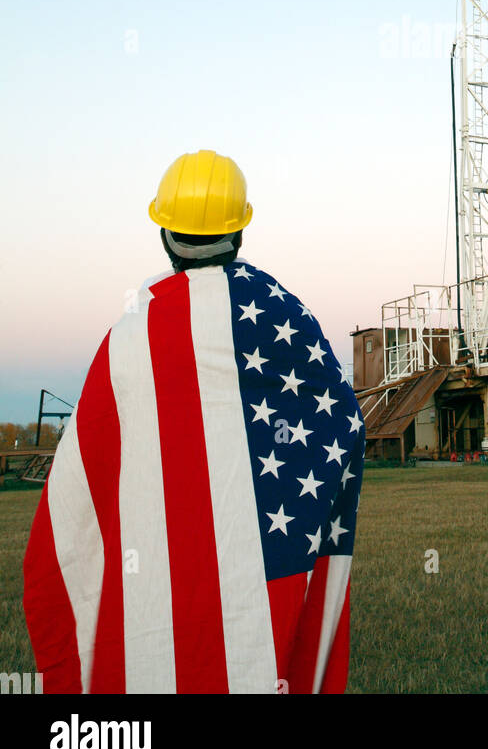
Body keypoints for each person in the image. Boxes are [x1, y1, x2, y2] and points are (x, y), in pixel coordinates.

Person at [23, 149, 364, 695]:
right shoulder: (286, 321)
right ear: (241, 231)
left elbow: (85, 470)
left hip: (154, 606)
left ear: (164, 232)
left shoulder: (130, 333)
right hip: (261, 597)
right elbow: (341, 422)